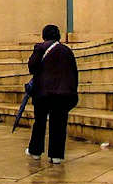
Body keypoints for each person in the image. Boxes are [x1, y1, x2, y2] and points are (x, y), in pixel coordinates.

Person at [26, 24, 79, 164]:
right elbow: (74, 72)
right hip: (64, 94)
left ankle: (35, 151)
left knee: (40, 122)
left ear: (44, 36)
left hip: (43, 93)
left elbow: (32, 66)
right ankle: (56, 156)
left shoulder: (41, 48)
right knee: (59, 124)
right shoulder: (67, 51)